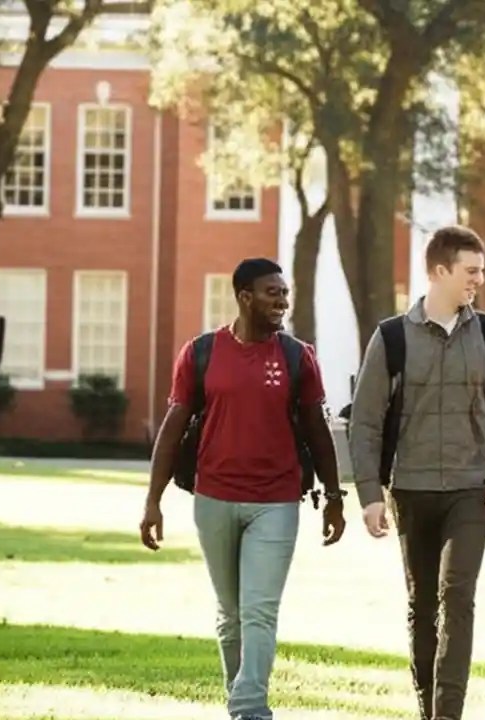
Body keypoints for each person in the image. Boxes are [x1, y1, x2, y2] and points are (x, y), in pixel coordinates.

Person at [138, 257, 347, 720]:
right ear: (244, 296)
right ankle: (241, 704)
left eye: (285, 293)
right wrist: (153, 500)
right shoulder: (201, 353)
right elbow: (173, 428)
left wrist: (334, 497)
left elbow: (317, 430)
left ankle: (250, 708)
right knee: (230, 614)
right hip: (213, 499)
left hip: (276, 502)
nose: (282, 301)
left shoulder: (297, 357)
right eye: (273, 293)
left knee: (259, 611)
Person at [347, 225, 485, 720]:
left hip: (471, 490)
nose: (479, 280)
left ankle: (448, 714)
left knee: (458, 596)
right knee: (423, 605)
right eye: (471, 271)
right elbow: (365, 421)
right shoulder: (391, 337)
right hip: (411, 488)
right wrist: (370, 494)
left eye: (482, 271)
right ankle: (428, 709)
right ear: (439, 271)